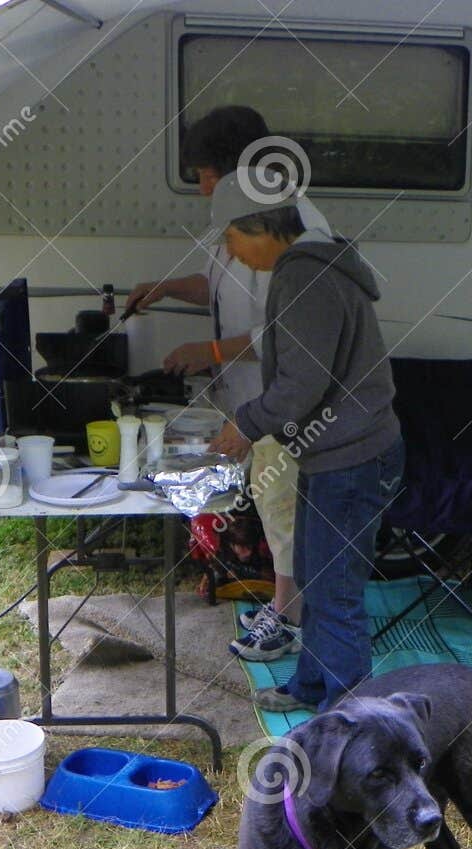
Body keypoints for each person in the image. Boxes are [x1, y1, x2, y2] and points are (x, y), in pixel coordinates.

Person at [125, 107, 330, 662]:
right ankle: (287, 604)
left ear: (239, 168)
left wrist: (209, 351)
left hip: (289, 398)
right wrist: (165, 287)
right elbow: (218, 285)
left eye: (205, 176)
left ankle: (290, 619)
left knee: (283, 502)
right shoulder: (241, 214)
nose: (201, 190)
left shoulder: (294, 222)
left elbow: (288, 327)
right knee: (270, 499)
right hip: (250, 397)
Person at [206, 174, 403, 714]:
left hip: (353, 458)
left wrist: (245, 425)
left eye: (230, 237)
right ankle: (311, 688)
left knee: (335, 594)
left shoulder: (307, 279)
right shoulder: (312, 266)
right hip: (339, 451)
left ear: (261, 227)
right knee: (318, 581)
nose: (228, 250)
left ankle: (348, 721)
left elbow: (301, 385)